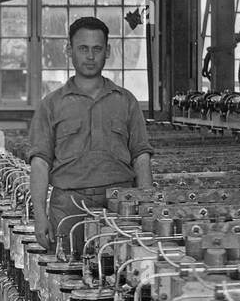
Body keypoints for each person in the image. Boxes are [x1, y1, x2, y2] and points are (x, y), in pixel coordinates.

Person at [26, 16, 153, 257]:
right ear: (69, 50)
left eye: (97, 49)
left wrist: (146, 210)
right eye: (83, 48)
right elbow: (40, 163)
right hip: (68, 206)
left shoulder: (126, 101)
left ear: (107, 51)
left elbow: (141, 157)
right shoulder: (51, 105)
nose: (91, 56)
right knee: (66, 275)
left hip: (119, 206)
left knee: (123, 275)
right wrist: (39, 216)